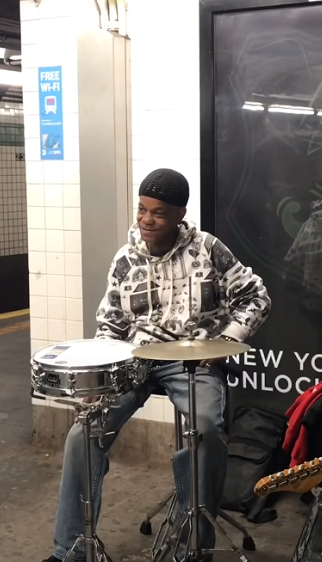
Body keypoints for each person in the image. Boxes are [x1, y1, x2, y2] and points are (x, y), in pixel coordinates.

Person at [43, 168, 272, 562]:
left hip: (193, 359)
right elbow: (111, 323)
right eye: (142, 209)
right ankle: (71, 552)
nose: (147, 220)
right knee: (82, 435)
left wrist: (229, 339)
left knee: (206, 431)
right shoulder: (125, 258)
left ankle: (191, 547)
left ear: (180, 214)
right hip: (135, 358)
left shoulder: (208, 249)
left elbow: (256, 296)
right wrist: (99, 377)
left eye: (159, 213)